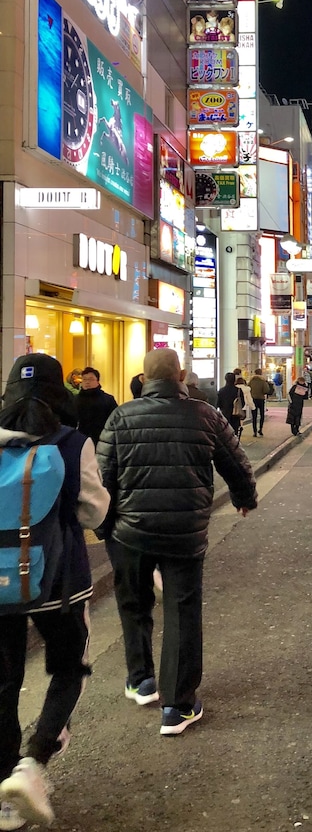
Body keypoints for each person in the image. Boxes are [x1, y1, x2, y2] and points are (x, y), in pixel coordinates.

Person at [96, 349, 257, 737]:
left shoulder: (121, 416)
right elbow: (235, 462)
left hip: (131, 530)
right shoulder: (205, 415)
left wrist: (105, 527)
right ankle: (177, 705)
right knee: (182, 610)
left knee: (133, 602)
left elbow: (103, 477)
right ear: (181, 375)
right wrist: (244, 498)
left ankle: (141, 680)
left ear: (144, 377)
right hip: (185, 529)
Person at [0, 354, 109, 829]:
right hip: (58, 581)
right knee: (70, 668)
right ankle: (33, 762)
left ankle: (4, 797)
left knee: (3, 684)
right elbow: (93, 513)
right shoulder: (71, 443)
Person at [75, 366, 118, 446]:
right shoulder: (75, 400)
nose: (87, 382)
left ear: (98, 381)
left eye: (91, 379)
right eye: (84, 379)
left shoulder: (108, 399)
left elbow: (115, 420)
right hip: (80, 440)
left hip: (102, 439)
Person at [217, 371, 243, 437]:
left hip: (225, 414)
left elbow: (218, 404)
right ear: (234, 380)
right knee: (235, 433)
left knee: (225, 432)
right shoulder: (238, 390)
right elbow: (242, 402)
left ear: (225, 379)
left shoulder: (221, 390)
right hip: (236, 414)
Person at [249, 368, 273, 437]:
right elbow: (266, 390)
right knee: (262, 415)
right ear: (261, 373)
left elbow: (248, 388)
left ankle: (254, 431)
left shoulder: (251, 381)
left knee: (254, 416)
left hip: (253, 399)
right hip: (261, 399)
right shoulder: (263, 381)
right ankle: (260, 430)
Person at [234, 377, 255, 442]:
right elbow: (249, 399)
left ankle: (235, 433)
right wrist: (253, 407)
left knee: (234, 420)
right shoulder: (246, 389)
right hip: (243, 407)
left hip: (234, 407)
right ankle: (240, 430)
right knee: (241, 420)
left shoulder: (235, 389)